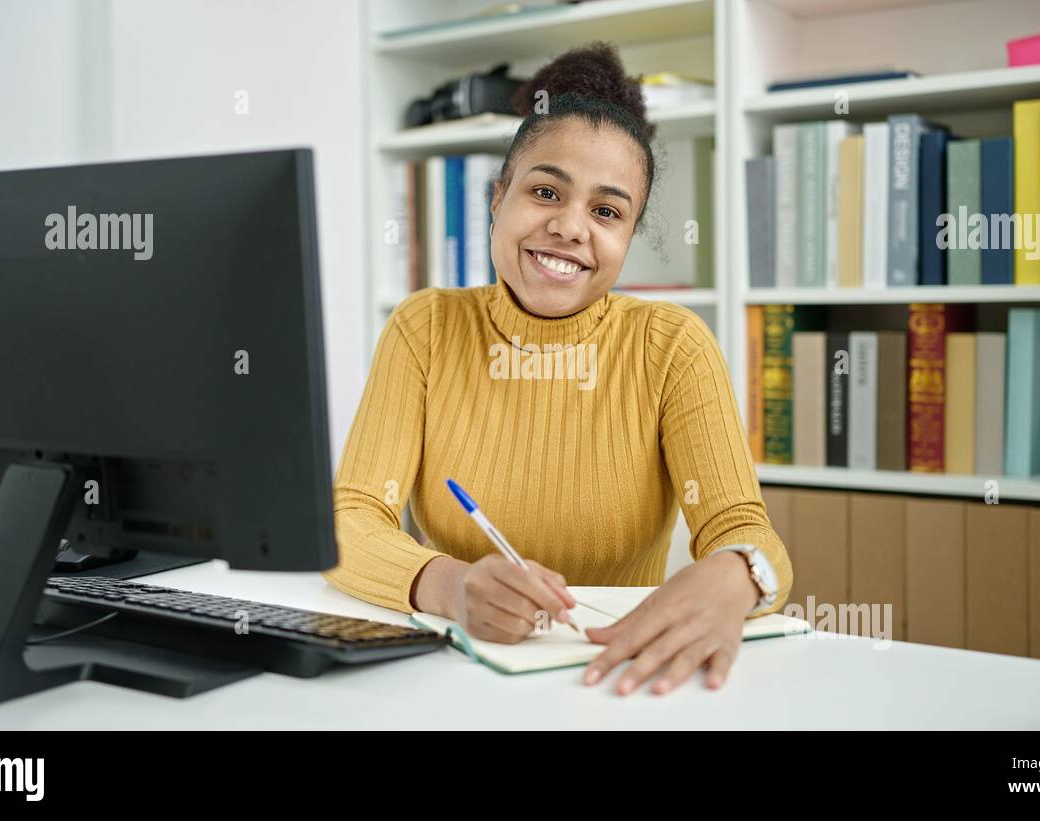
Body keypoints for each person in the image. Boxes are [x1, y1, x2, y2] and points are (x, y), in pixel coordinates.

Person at [326, 42, 792, 696]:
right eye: (546, 190)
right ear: (498, 199)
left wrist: (738, 573)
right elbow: (350, 518)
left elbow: (746, 530)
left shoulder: (673, 345)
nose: (571, 227)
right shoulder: (423, 329)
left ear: (628, 236)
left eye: (607, 211)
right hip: (457, 674)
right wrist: (449, 585)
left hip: (617, 676)